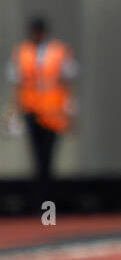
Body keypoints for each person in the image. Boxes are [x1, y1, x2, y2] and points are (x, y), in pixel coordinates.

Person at [6, 17, 78, 212]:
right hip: (31, 110)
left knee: (48, 157)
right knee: (37, 158)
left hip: (53, 112)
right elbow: (17, 84)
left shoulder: (58, 51)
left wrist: (70, 112)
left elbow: (68, 81)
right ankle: (40, 201)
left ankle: (47, 201)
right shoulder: (22, 52)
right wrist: (13, 114)